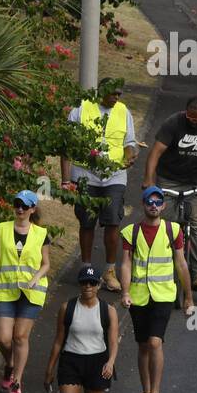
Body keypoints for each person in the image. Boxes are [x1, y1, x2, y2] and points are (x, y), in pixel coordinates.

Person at [120, 186, 194, 393]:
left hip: (163, 294)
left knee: (155, 342)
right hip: (139, 294)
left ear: (163, 206)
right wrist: (125, 291)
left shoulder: (173, 230)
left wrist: (188, 297)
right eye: (149, 202)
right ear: (143, 205)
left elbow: (181, 263)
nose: (153, 205)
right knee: (143, 344)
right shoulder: (131, 232)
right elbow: (125, 264)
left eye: (157, 202)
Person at [61, 79, 137, 292]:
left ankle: (110, 271)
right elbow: (66, 144)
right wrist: (66, 180)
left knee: (113, 221)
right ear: (101, 91)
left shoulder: (124, 111)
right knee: (87, 222)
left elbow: (130, 142)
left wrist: (130, 156)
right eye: (112, 94)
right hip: (85, 174)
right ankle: (86, 267)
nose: (116, 98)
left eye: (119, 94)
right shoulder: (81, 108)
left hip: (114, 175)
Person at [144, 97, 197, 292]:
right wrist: (148, 179)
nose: (193, 121)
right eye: (190, 117)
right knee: (166, 224)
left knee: (196, 224)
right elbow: (155, 152)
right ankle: (160, 267)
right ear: (185, 112)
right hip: (169, 179)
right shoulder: (173, 122)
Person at [43, 265, 118, 393]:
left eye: (92, 283)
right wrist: (49, 368)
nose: (88, 286)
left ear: (99, 285)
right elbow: (58, 340)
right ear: (79, 284)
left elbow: (112, 341)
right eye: (84, 282)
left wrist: (110, 363)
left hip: (97, 362)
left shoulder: (108, 310)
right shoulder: (67, 307)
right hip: (71, 361)